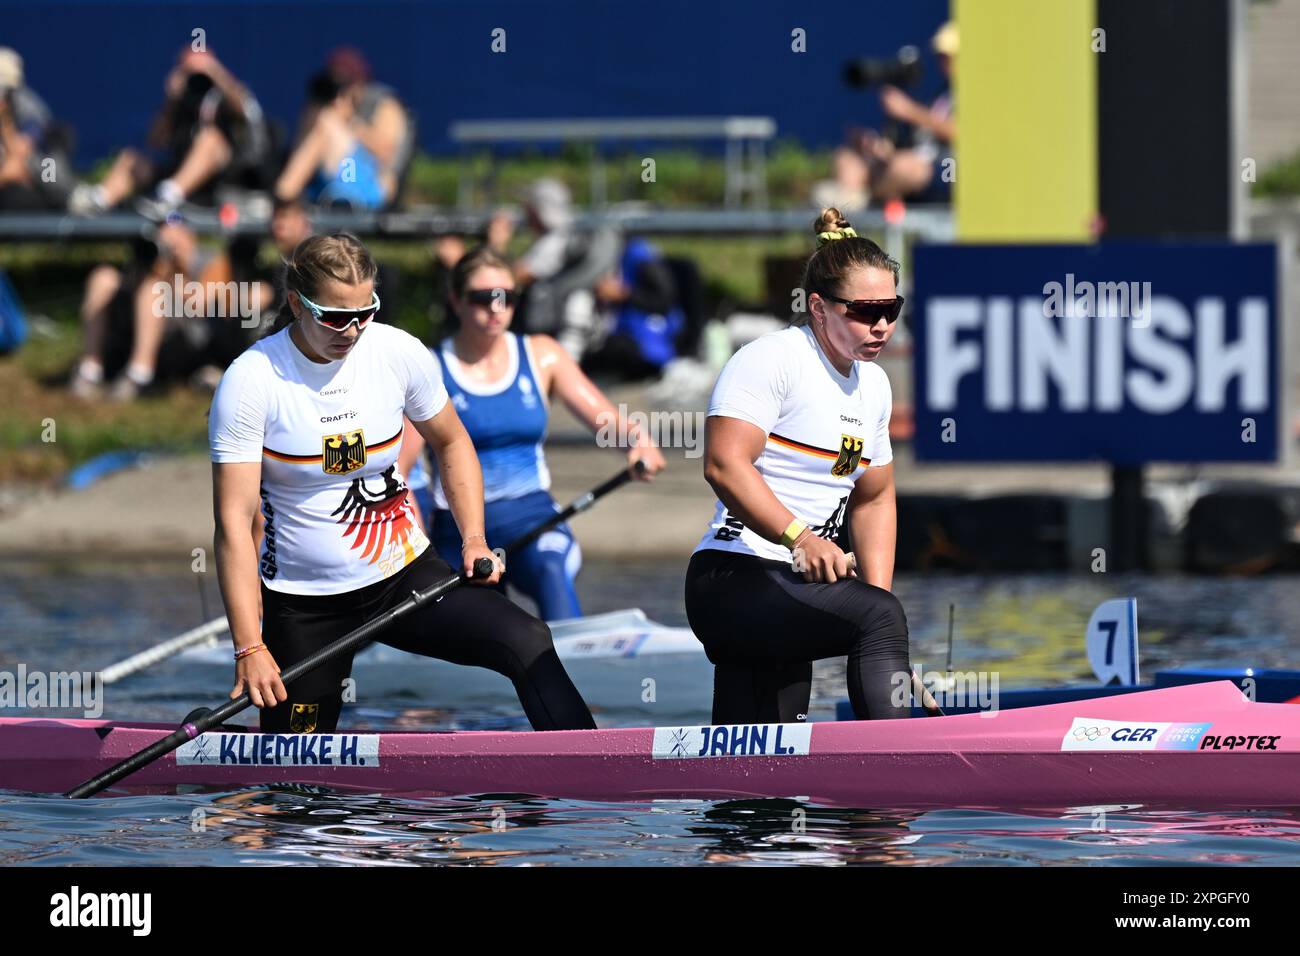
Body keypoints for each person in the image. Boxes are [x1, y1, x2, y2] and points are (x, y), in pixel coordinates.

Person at [208, 233, 596, 733]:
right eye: (333, 316)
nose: (351, 330)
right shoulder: (252, 380)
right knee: (297, 784)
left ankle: (592, 775)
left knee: (528, 640)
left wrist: (474, 538)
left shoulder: (397, 352)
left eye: (364, 312)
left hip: (404, 579)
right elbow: (234, 524)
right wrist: (250, 646)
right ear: (294, 304)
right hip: (305, 604)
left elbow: (453, 443)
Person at [684, 208, 911, 725]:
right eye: (864, 310)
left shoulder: (874, 385)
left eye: (891, 308)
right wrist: (803, 540)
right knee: (881, 618)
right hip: (732, 580)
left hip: (793, 590)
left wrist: (872, 602)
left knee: (761, 771)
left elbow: (875, 497)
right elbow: (723, 464)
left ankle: (740, 800)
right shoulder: (772, 359)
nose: (881, 325)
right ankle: (892, 789)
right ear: (818, 306)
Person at [398, 246, 666, 621]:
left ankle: (578, 665)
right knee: (492, 629)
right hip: (458, 532)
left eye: (506, 297)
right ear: (456, 302)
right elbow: (400, 472)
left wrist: (638, 443)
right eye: (482, 298)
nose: (496, 308)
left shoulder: (543, 355)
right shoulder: (430, 369)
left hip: (532, 517)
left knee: (550, 568)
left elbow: (608, 421)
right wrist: (416, 557)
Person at [68, 48, 272, 217]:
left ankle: (167, 196)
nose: (195, 78)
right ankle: (99, 200)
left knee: (210, 139)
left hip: (226, 182)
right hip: (180, 178)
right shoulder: (180, 102)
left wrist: (213, 71)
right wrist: (170, 102)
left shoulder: (226, 96)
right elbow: (154, 142)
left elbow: (244, 108)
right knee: (133, 158)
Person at [275, 48, 412, 211]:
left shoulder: (384, 104)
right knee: (326, 122)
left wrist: (350, 122)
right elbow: (297, 149)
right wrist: (313, 116)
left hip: (370, 185)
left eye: (344, 84)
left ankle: (283, 195)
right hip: (326, 184)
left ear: (360, 82)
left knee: (328, 124)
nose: (339, 92)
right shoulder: (323, 110)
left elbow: (387, 153)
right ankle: (285, 195)